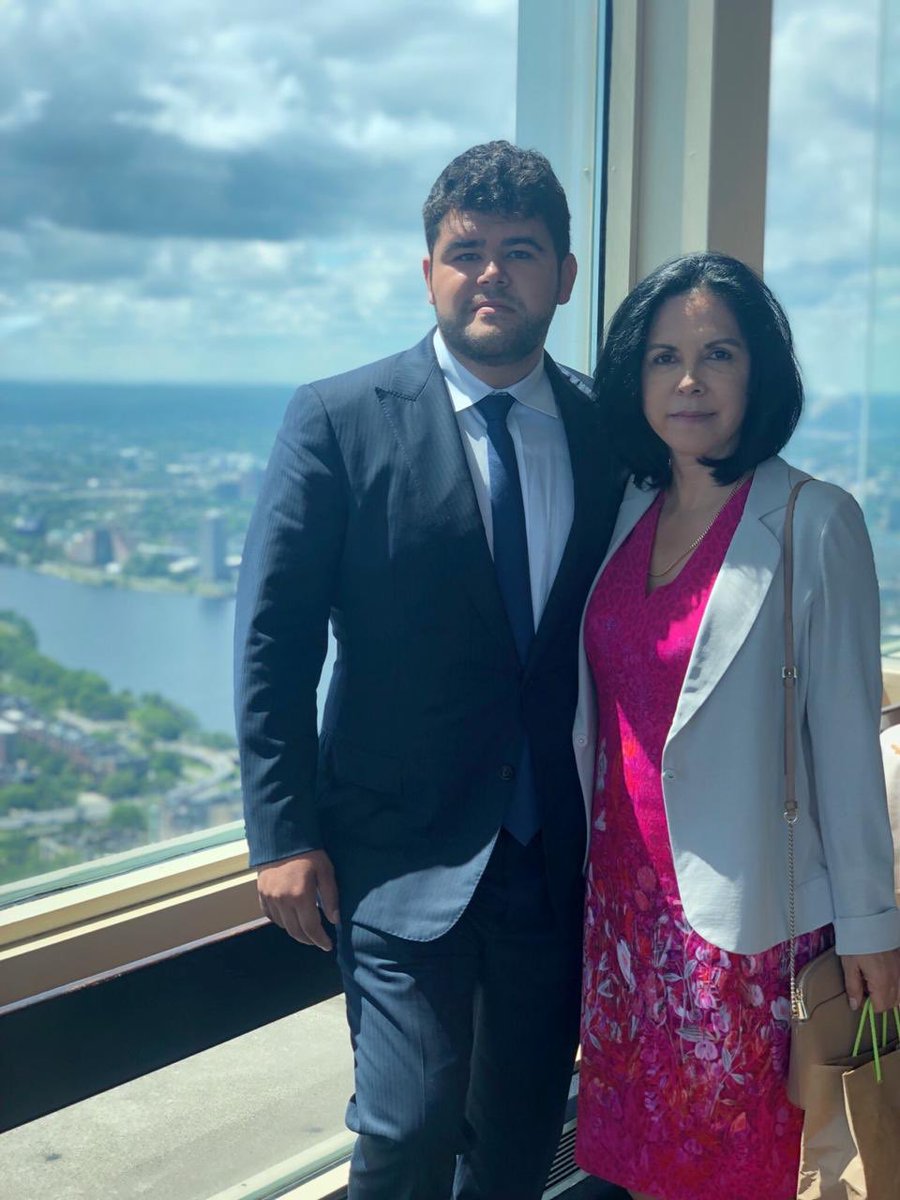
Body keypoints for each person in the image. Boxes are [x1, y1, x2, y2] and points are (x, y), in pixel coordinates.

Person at [234, 141, 624, 1200]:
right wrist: (283, 832)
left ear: (564, 277)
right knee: (404, 1129)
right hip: (395, 855)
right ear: (429, 274)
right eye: (466, 253)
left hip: (553, 863)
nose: (490, 273)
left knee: (520, 1137)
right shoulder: (338, 421)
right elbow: (275, 638)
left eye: (520, 251)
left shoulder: (605, 432)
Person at [572, 251, 900, 1200]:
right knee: (643, 1165)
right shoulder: (625, 511)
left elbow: (844, 745)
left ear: (760, 374)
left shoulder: (813, 522)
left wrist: (875, 930)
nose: (687, 380)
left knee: (743, 1169)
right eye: (662, 356)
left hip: (745, 932)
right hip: (625, 914)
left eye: (717, 354)